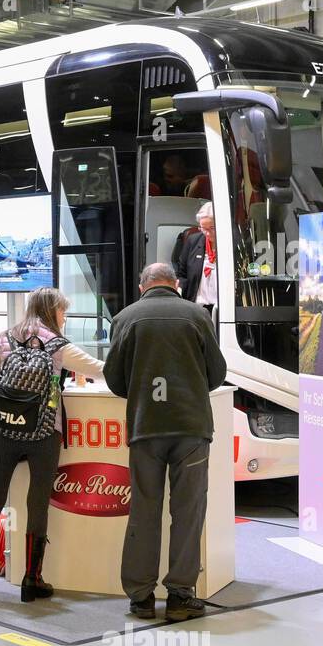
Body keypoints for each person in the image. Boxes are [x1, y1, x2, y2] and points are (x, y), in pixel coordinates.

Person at [103, 263, 228, 623]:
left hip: (146, 428)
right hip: (190, 428)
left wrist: (143, 393)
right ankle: (180, 596)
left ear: (142, 286)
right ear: (175, 284)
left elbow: (114, 379)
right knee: (188, 512)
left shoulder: (126, 318)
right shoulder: (197, 315)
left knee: (144, 509)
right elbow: (216, 375)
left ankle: (140, 597)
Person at [0, 287, 104, 603]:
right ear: (53, 311)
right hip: (44, 433)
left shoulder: (5, 338)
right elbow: (99, 369)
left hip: (4, 430)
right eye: (63, 312)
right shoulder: (58, 345)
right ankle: (32, 579)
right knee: (37, 502)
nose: (64, 318)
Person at [171, 201, 217, 312]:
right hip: (197, 306)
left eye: (212, 228)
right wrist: (180, 289)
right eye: (203, 228)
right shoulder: (193, 241)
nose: (207, 233)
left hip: (222, 307)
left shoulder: (232, 242)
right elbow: (181, 273)